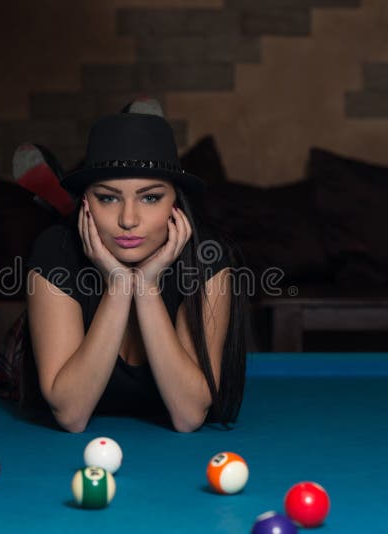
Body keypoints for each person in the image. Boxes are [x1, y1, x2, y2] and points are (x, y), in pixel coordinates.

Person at [20, 110, 247, 433]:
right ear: (88, 202)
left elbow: (189, 415)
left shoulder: (206, 258)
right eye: (108, 198)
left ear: (176, 204)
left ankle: (64, 199)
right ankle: (64, 206)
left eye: (150, 197)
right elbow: (71, 414)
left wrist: (146, 284)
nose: (128, 219)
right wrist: (117, 283)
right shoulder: (55, 250)